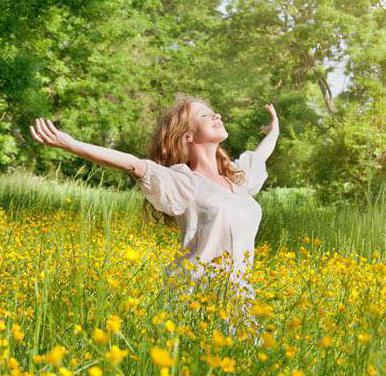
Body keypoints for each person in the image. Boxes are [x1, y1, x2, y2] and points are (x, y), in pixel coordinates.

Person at [29, 95, 279, 311]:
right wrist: (71, 144)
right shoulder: (183, 181)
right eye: (205, 115)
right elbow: (132, 164)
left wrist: (274, 130)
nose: (217, 116)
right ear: (188, 136)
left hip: (239, 301)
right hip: (196, 298)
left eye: (214, 113)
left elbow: (259, 156)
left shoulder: (237, 179)